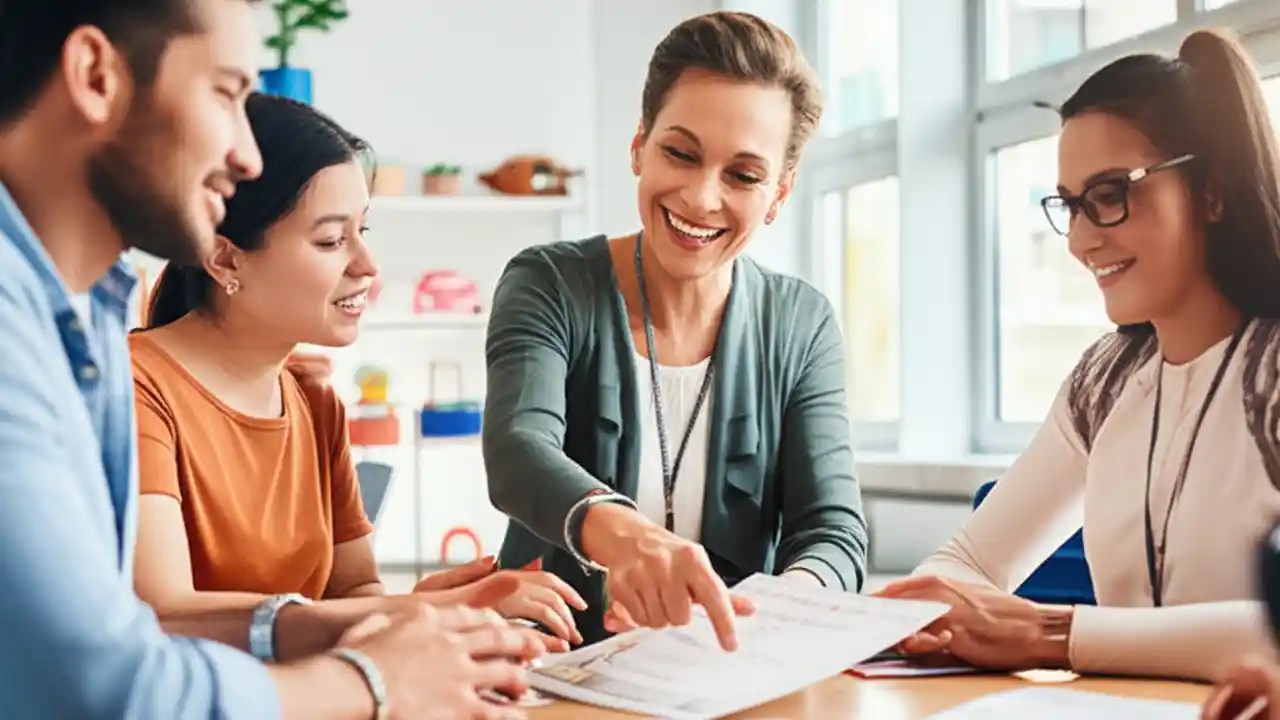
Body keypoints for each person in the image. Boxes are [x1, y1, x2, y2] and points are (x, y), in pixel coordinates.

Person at [0, 1, 538, 717]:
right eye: (225, 93)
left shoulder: (91, 313)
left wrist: (392, 622)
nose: (245, 154)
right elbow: (119, 670)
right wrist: (374, 678)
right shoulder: (58, 344)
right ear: (97, 75)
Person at [877, 28, 1280, 682]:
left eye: (1111, 195)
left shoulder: (1269, 368)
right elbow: (969, 565)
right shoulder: (1109, 378)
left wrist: (1052, 633)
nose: (1081, 240)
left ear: (1211, 191)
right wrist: (915, 615)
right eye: (1070, 205)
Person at [131, 91, 586, 658]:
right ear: (224, 260)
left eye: (363, 232)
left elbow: (353, 591)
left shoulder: (313, 398)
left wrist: (420, 611)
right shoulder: (138, 389)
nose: (367, 268)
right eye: (330, 239)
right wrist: (414, 612)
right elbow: (165, 614)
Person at [483, 10, 868, 649]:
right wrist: (634, 542)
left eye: (743, 175)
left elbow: (832, 533)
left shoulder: (802, 324)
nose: (700, 197)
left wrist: (776, 609)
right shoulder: (548, 282)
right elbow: (518, 450)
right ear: (639, 146)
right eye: (680, 154)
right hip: (545, 662)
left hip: (726, 674)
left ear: (779, 192)